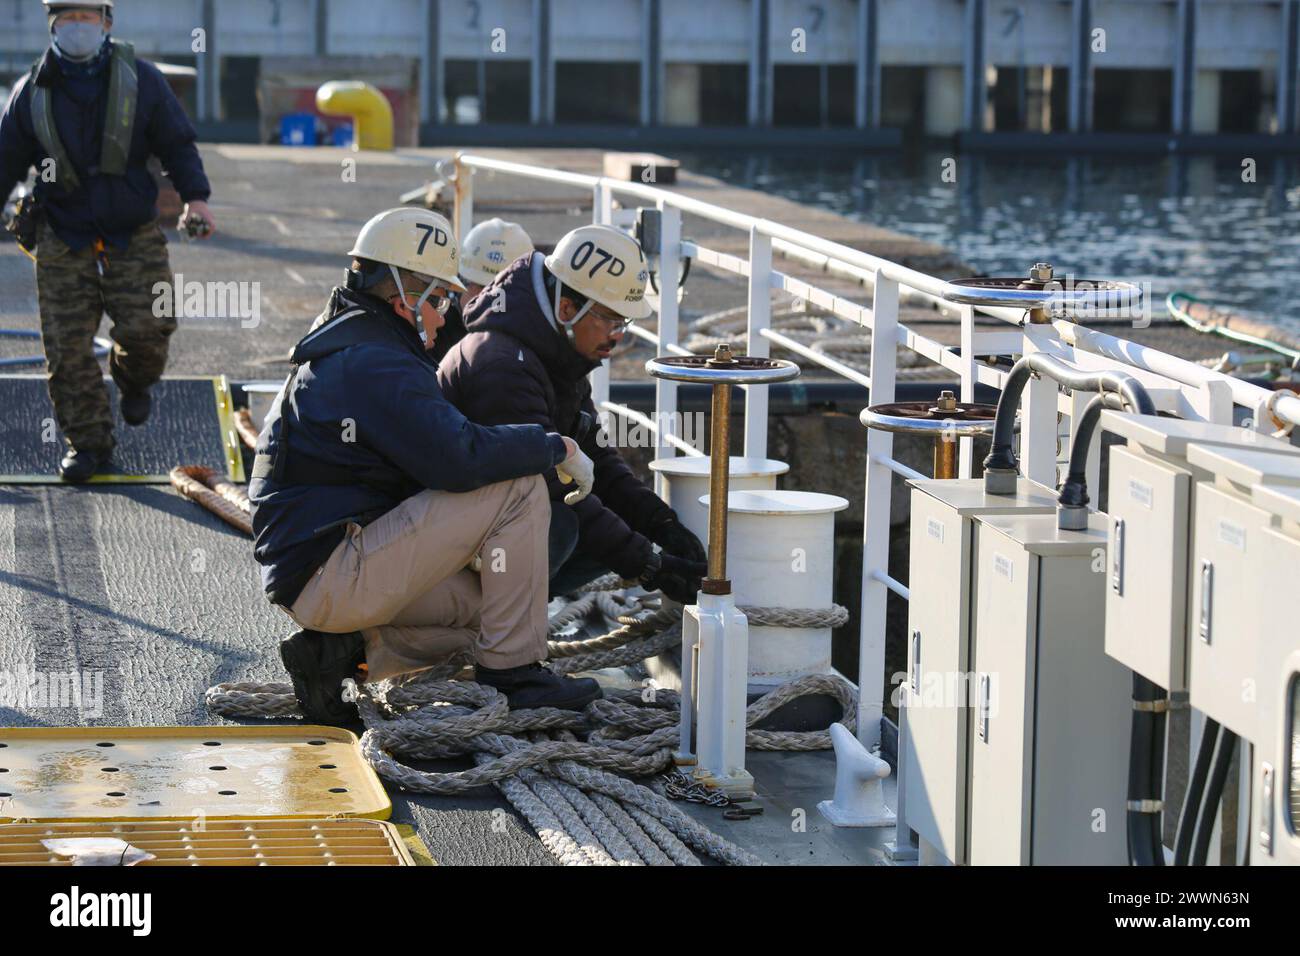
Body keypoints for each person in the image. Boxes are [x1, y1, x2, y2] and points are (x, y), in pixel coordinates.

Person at [248, 207, 602, 724]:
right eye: (436, 299)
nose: (444, 314)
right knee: (520, 486)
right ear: (403, 297)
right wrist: (558, 448)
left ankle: (345, 654)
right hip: (333, 572)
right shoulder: (375, 362)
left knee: (499, 611)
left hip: (320, 575)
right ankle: (516, 674)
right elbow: (459, 459)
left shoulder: (354, 344)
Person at [0, 0, 216, 482]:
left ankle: (134, 379)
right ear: (53, 26)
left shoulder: (142, 80)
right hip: (62, 230)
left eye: (87, 18)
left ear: (107, 24)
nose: (78, 27)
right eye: (68, 19)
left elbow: (177, 144)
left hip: (131, 230)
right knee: (67, 349)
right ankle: (88, 445)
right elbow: (6, 160)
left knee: (149, 328)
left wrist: (196, 199)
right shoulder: (30, 91)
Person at [438, 223, 707, 604]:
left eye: (624, 323)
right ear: (567, 308)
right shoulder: (502, 366)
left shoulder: (557, 354)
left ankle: (499, 614)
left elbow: (595, 455)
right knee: (559, 526)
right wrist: (649, 565)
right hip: (449, 539)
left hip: (482, 522)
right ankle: (489, 631)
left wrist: (660, 524)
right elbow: (553, 485)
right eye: (612, 320)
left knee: (601, 524)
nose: (618, 335)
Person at [423, 217, 533, 366]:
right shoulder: (435, 330)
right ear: (460, 284)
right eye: (481, 289)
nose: (490, 303)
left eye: (500, 294)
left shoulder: (537, 339)